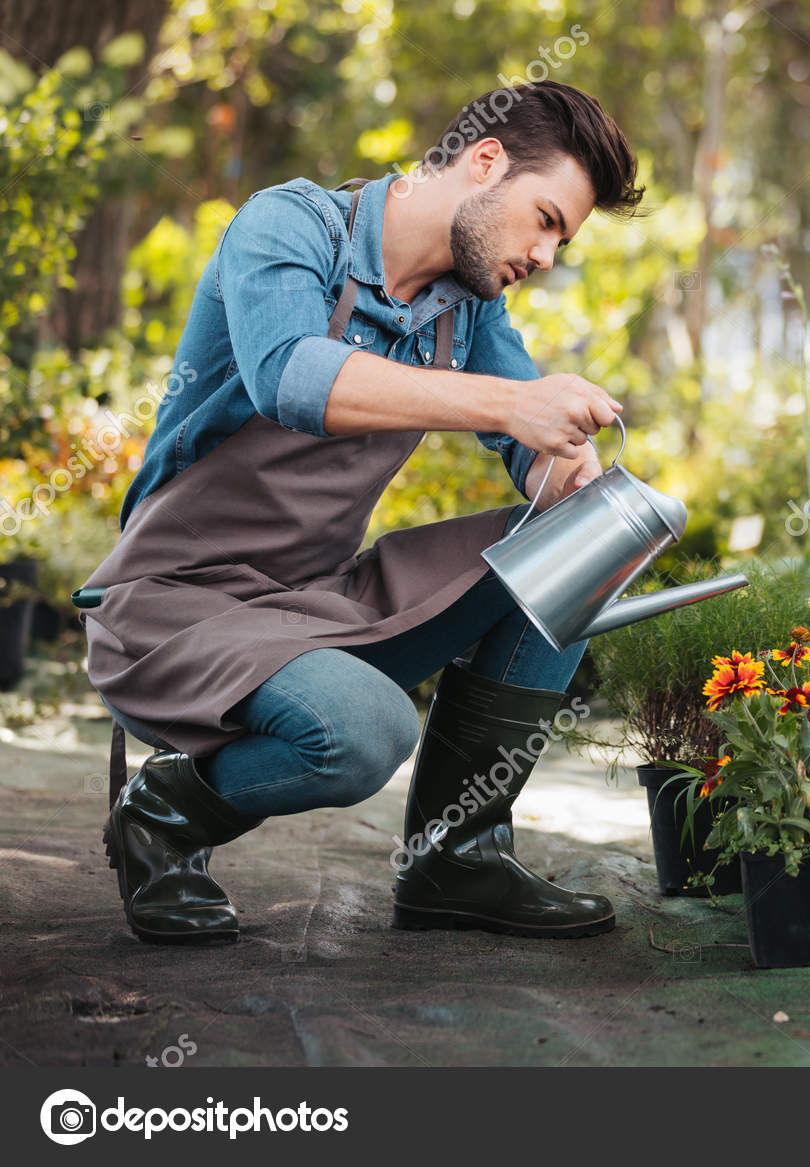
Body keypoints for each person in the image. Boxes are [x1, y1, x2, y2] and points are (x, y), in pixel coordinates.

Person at [82, 81, 644, 945]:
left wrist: (561, 470)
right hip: (179, 601)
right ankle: (163, 812)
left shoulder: (468, 307)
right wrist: (504, 405)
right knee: (362, 731)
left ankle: (455, 855)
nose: (546, 253)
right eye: (545, 219)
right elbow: (291, 377)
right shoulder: (290, 227)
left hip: (315, 599)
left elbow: (530, 437)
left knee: (580, 542)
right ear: (485, 161)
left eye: (560, 236)